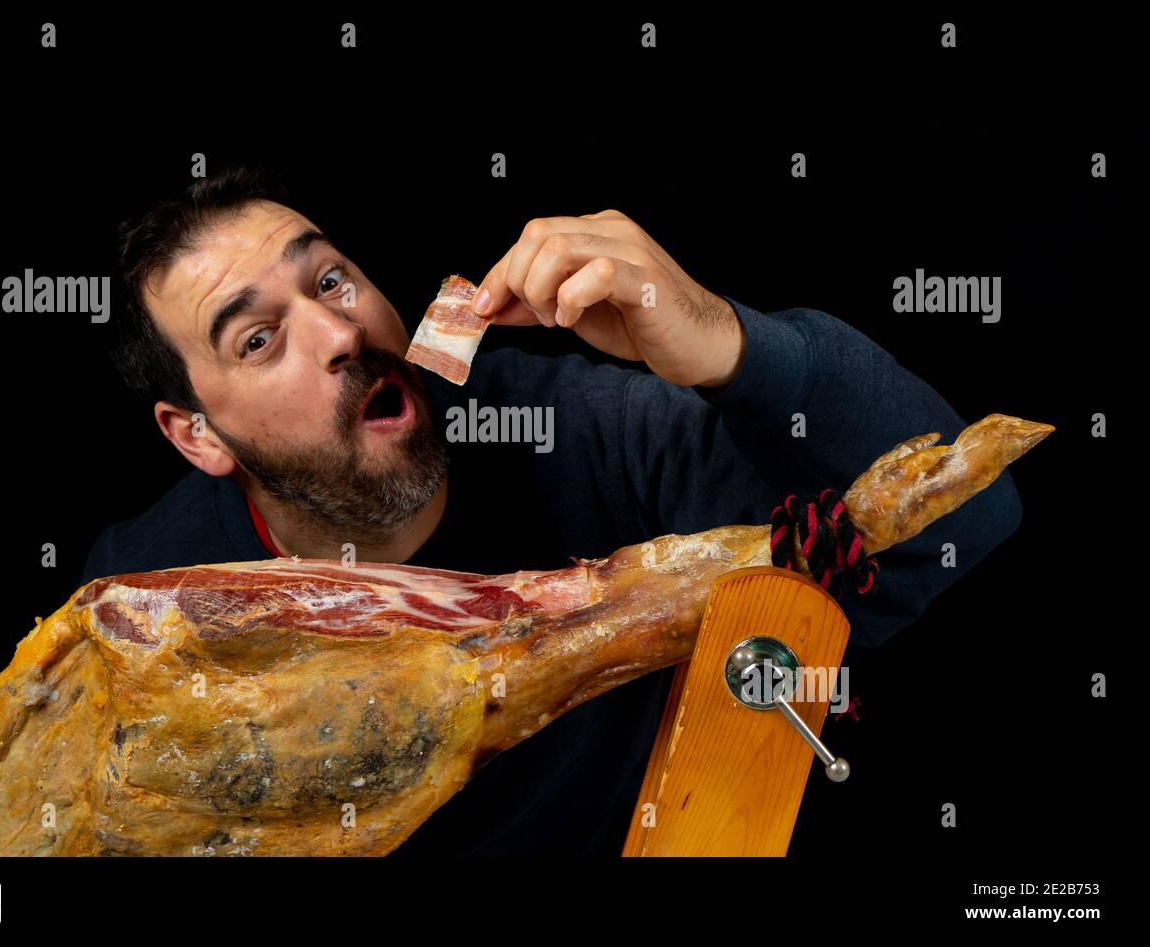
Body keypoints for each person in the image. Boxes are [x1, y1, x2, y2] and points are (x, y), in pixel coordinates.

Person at [82, 164, 1022, 855]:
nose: (341, 332)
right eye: (259, 337)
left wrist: (731, 344)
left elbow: (963, 518)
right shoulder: (145, 605)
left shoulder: (576, 430)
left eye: (329, 280)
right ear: (197, 434)